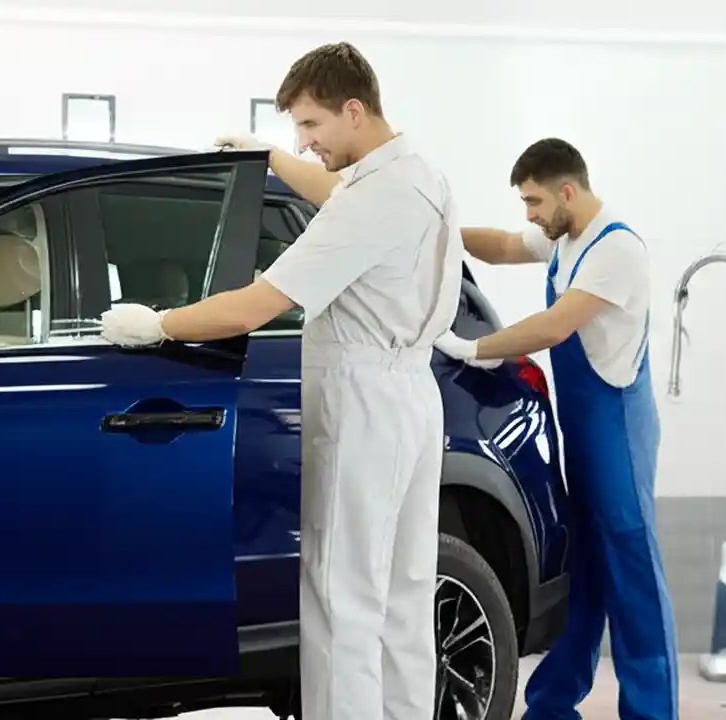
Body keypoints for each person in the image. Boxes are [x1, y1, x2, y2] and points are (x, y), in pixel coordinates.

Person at [98, 41, 463, 720]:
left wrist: (158, 325)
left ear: (353, 112)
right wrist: (272, 158)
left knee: (342, 596)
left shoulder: (374, 199)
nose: (308, 140)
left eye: (312, 126)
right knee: (405, 596)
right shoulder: (417, 175)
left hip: (365, 400)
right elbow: (337, 193)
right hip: (414, 392)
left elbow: (259, 303)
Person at [434, 138, 679, 719]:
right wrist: (439, 233)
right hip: (584, 430)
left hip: (617, 428)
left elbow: (552, 327)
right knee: (587, 571)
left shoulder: (615, 249)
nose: (530, 215)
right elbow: (498, 245)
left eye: (534, 201)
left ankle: (652, 711)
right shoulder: (565, 237)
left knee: (634, 574)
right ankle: (551, 703)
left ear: (566, 191)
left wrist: (474, 348)